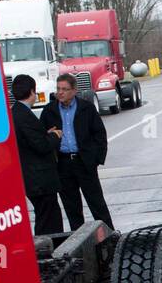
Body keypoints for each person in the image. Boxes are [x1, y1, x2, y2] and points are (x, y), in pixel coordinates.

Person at [41, 73, 114, 230]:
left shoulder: (86, 108)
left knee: (97, 203)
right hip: (63, 164)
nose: (60, 92)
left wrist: (96, 159)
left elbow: (99, 134)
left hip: (84, 161)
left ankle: (111, 238)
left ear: (74, 91)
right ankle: (80, 243)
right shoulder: (49, 111)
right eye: (58, 89)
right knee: (72, 208)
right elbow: (43, 138)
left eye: (65, 89)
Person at [10, 74, 62, 236]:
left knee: (46, 216)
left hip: (33, 178)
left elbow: (29, 140)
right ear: (32, 91)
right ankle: (48, 253)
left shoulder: (17, 112)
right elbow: (41, 146)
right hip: (39, 180)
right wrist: (55, 136)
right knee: (48, 220)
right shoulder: (23, 115)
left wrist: (44, 134)